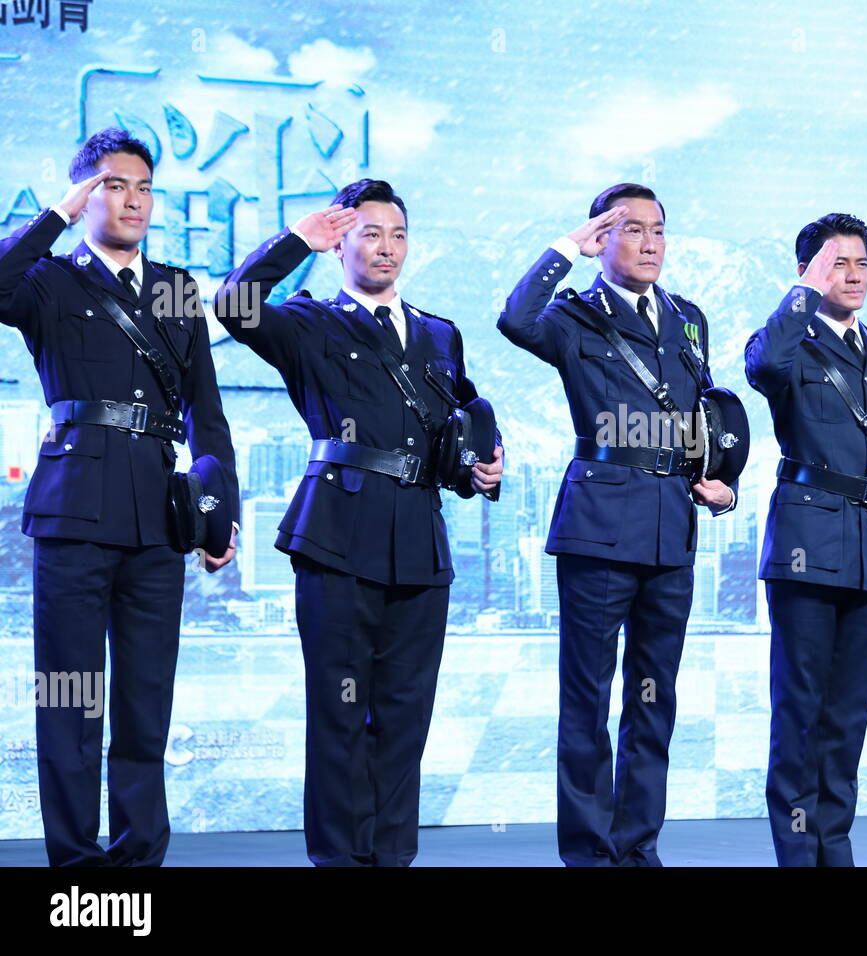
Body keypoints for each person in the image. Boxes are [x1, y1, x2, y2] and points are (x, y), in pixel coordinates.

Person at [213, 179, 503, 866]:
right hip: (337, 534)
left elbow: (453, 432)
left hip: (420, 541)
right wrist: (294, 243)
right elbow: (232, 305)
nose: (386, 248)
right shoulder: (309, 323)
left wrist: (475, 472)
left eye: (398, 235)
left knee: (405, 720)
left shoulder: (439, 333)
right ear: (340, 241)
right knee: (340, 714)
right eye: (370, 232)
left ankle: (392, 859)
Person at [0, 127, 239, 866]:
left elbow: (207, 410)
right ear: (83, 193)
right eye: (113, 185)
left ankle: (140, 858)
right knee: (71, 699)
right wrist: (54, 217)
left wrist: (217, 511)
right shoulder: (48, 279)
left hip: (156, 516)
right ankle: (74, 861)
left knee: (144, 702)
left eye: (143, 187)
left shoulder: (175, 286)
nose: (133, 200)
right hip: (73, 508)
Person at [497, 183, 738, 866]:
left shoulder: (689, 318)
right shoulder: (574, 314)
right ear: (602, 237)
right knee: (586, 702)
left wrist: (722, 488)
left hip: (670, 526)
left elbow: (705, 418)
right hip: (599, 523)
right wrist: (565, 247)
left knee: (653, 702)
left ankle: (638, 849)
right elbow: (515, 320)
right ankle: (589, 854)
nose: (651, 241)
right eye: (631, 229)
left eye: (659, 229)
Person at [744, 213, 867, 866]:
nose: (851, 276)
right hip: (806, 547)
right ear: (807, 273)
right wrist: (803, 293)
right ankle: (798, 859)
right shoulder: (786, 343)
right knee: (800, 718)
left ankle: (835, 852)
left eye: (860, 263)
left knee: (846, 720)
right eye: (835, 264)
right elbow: (764, 365)